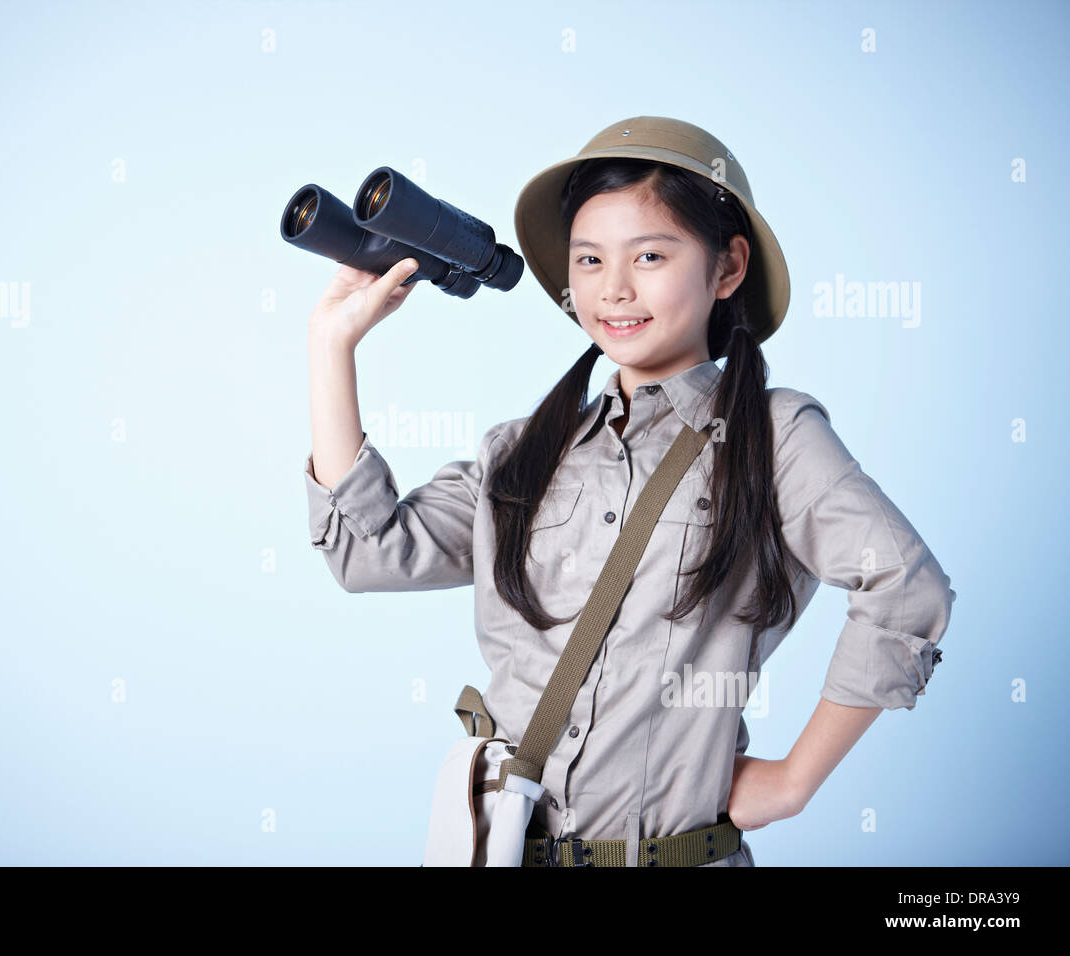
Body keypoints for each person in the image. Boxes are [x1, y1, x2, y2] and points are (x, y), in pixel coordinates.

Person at [302, 116, 956, 866]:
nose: (613, 289)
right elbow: (367, 553)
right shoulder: (521, 452)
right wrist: (332, 344)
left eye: (650, 255)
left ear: (727, 267)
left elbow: (907, 587)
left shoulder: (773, 438)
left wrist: (794, 782)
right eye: (588, 260)